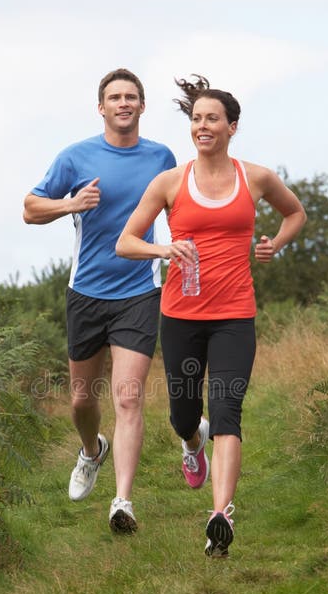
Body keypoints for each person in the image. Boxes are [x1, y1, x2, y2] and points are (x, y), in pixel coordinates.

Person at [116, 75, 306, 557]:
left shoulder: (255, 177)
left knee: (227, 412)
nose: (203, 126)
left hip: (234, 317)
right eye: (197, 119)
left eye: (212, 119)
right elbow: (126, 241)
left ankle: (219, 516)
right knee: (185, 416)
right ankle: (191, 441)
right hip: (180, 316)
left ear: (232, 127)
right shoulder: (171, 182)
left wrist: (274, 244)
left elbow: (295, 213)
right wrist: (164, 248)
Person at [23, 68, 176, 535]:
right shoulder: (75, 157)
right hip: (86, 291)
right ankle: (92, 450)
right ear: (101, 107)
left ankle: (123, 502)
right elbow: (30, 208)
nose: (124, 103)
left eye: (131, 97)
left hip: (139, 289)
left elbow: (179, 209)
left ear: (143, 106)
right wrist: (70, 204)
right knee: (81, 400)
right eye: (115, 97)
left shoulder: (161, 157)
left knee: (129, 396)